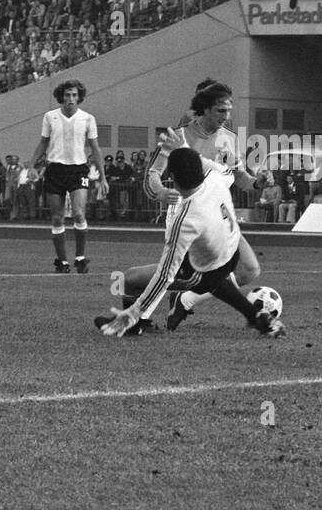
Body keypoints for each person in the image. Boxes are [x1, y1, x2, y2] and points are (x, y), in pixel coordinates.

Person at [95, 148, 284, 339]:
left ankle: (133, 326)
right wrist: (184, 147)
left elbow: (164, 276)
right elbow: (224, 170)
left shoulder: (186, 220)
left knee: (129, 278)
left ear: (173, 178)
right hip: (231, 253)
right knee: (218, 278)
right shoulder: (216, 178)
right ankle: (255, 316)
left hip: (204, 272)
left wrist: (133, 313)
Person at [146, 79, 270, 330]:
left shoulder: (229, 140)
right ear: (205, 108)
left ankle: (184, 299)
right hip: (190, 218)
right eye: (221, 111)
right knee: (181, 276)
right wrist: (160, 192)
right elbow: (152, 175)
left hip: (221, 219)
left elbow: (240, 179)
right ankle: (140, 300)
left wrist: (259, 183)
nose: (226, 116)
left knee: (249, 270)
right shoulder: (180, 137)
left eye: (228, 111)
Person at [30, 79, 107, 273]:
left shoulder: (88, 118)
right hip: (55, 170)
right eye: (67, 95)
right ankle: (62, 262)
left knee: (79, 214)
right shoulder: (50, 116)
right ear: (61, 97)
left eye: (74, 95)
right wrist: (32, 165)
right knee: (57, 218)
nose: (71, 99)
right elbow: (43, 142)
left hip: (78, 170)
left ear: (79, 97)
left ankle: (80, 258)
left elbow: (95, 148)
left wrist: (103, 178)